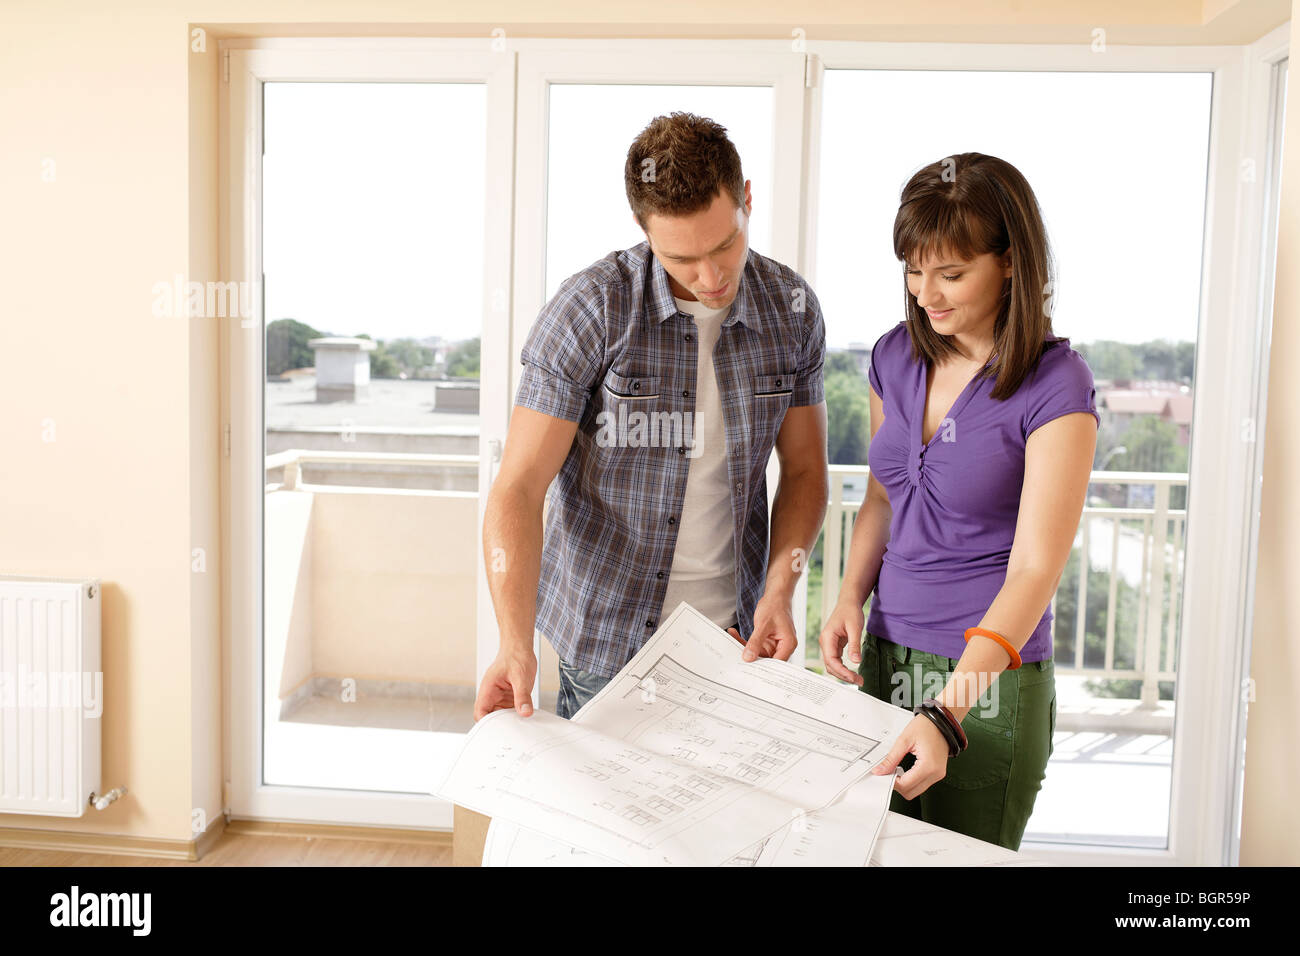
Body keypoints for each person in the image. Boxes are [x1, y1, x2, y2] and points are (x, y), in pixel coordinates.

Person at [475, 112, 829, 723]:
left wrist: (780, 590)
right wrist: (514, 641)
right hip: (607, 643)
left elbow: (803, 471)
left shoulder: (791, 310)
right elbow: (519, 486)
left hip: (732, 637)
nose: (711, 277)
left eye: (725, 245)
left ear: (747, 200)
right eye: (682, 259)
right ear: (643, 230)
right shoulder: (592, 308)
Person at [818, 152, 1099, 851]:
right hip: (884, 657)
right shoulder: (893, 356)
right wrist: (851, 593)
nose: (926, 294)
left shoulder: (1055, 383)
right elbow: (885, 494)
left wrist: (946, 715)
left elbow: (1036, 568)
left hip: (987, 685)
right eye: (914, 270)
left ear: (1010, 263)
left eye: (950, 274)